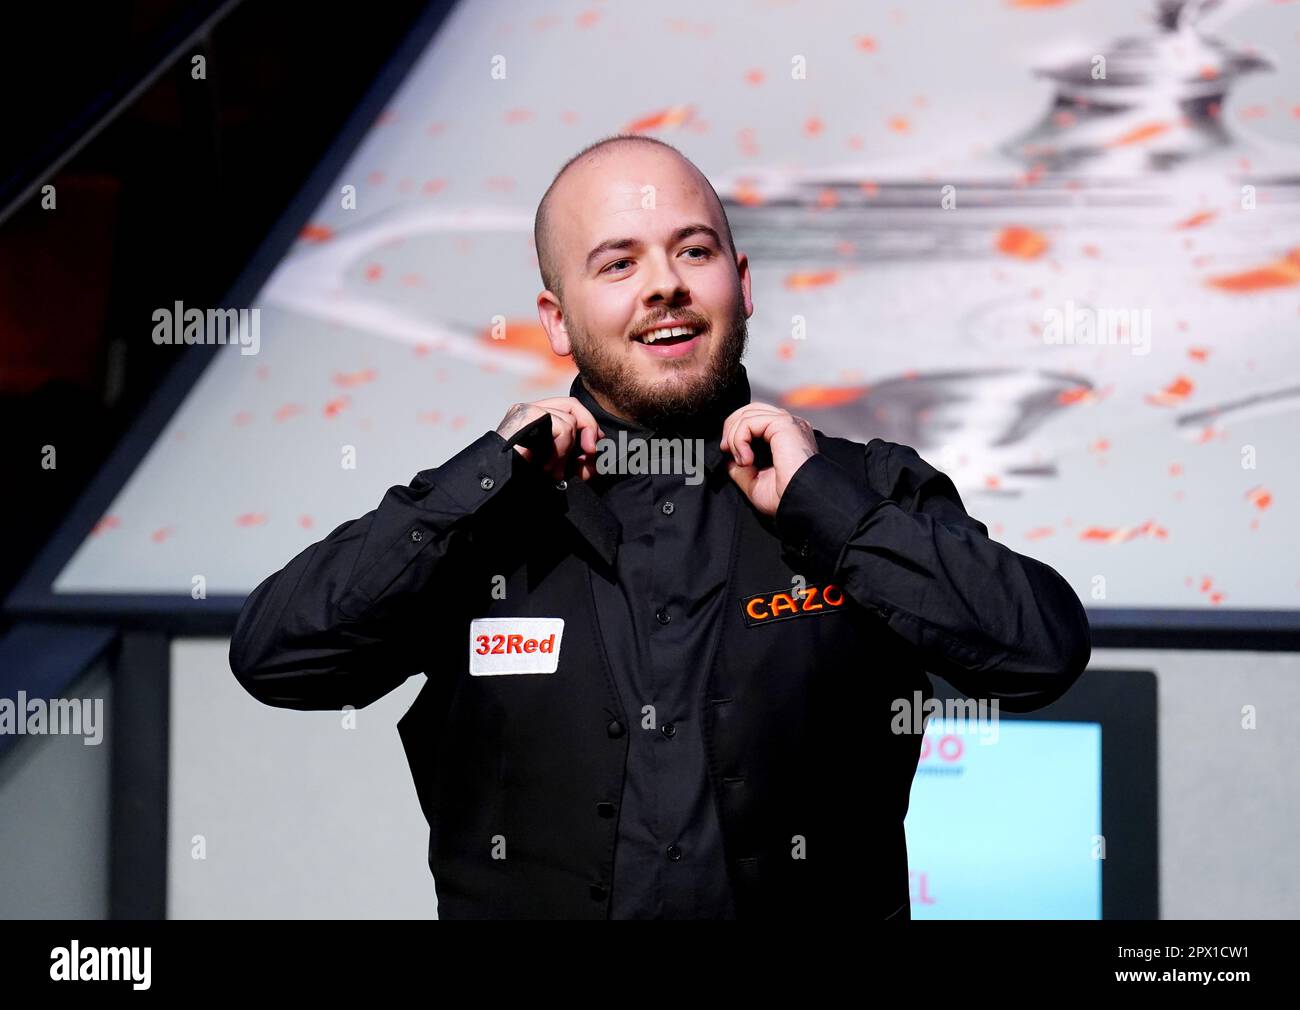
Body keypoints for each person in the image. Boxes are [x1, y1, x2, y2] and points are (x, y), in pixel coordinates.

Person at [229, 133, 1092, 920]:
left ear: (742, 284)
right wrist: (479, 481)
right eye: (617, 264)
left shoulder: (861, 489)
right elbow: (279, 660)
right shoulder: (482, 516)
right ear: (558, 320)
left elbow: (1041, 654)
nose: (665, 284)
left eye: (694, 250)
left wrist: (829, 508)